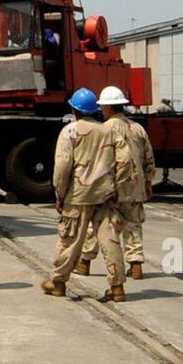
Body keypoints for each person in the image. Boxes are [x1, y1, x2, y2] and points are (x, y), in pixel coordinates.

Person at [41, 87, 126, 302]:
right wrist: (117, 189)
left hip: (78, 196)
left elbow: (62, 167)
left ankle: (58, 282)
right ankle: (117, 288)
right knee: (109, 240)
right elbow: (124, 162)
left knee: (70, 240)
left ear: (74, 108)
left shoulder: (70, 131)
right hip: (105, 194)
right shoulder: (109, 131)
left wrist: (60, 194)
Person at [77, 87, 157, 280]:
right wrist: (148, 182)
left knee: (97, 226)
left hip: (109, 189)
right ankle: (136, 265)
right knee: (134, 226)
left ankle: (84, 262)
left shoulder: (104, 130)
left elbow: (98, 161)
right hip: (135, 188)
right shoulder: (138, 129)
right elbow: (149, 160)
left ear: (106, 108)